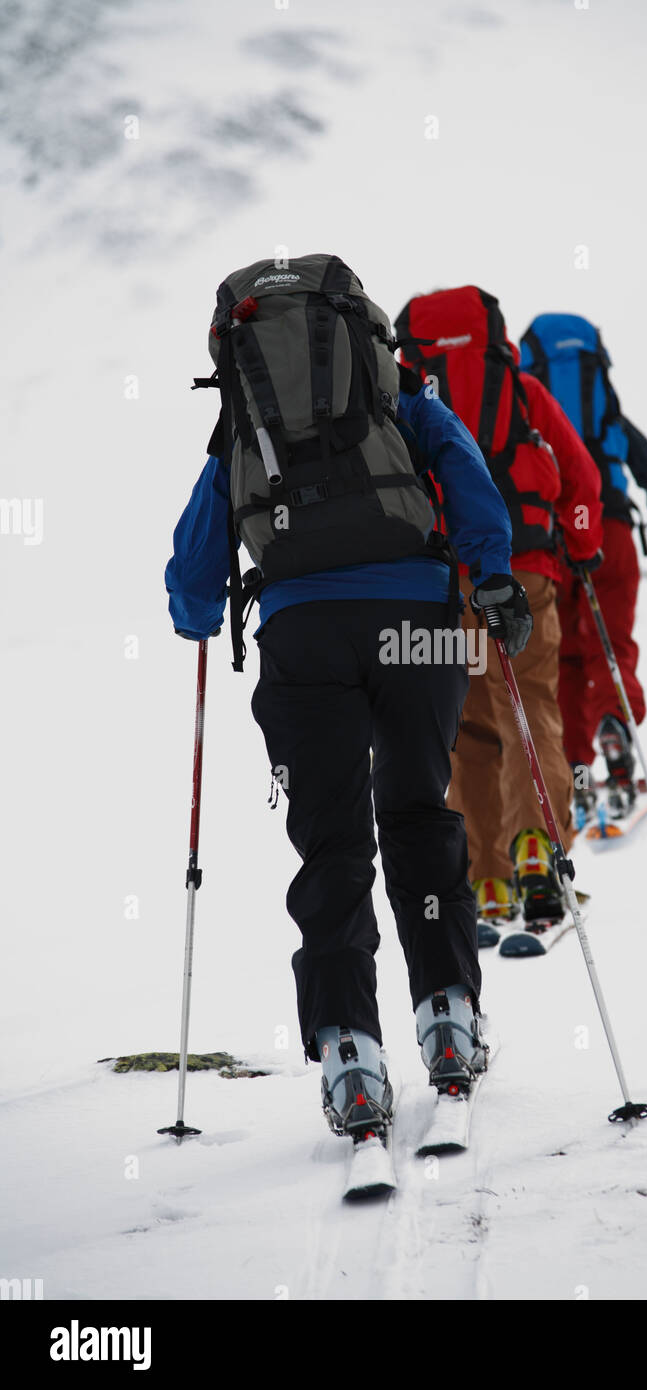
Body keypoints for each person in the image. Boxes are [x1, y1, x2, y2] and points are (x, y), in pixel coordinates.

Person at [166, 254, 523, 1149]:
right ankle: (447, 1015)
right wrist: (490, 574)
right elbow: (463, 465)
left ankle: (350, 1053)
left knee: (332, 840)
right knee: (417, 809)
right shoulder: (397, 389)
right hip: (420, 624)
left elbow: (197, 557)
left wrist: (197, 608)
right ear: (361, 331)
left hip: (303, 630)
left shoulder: (248, 422)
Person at [395, 287, 603, 947]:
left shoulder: (411, 401)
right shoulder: (521, 390)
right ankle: (538, 856)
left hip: (444, 583)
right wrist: (586, 547)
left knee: (468, 730)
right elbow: (579, 474)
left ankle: (485, 880)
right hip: (528, 573)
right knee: (531, 714)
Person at [520, 315, 647, 817]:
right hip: (608, 528)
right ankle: (615, 733)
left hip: (552, 538)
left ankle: (575, 766)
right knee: (610, 645)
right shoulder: (607, 411)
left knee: (565, 658)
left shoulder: (530, 406)